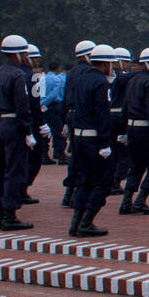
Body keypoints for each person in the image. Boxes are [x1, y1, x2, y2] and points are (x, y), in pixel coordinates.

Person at [68, 43, 120, 237]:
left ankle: (76, 223)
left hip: (79, 136)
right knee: (103, 181)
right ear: (106, 64)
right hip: (94, 139)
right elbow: (101, 115)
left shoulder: (81, 79)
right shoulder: (101, 83)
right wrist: (106, 143)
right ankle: (87, 222)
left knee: (84, 181)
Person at [0, 34, 36, 231]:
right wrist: (27, 130)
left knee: (2, 169)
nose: (27, 56)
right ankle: (9, 214)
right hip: (13, 125)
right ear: (17, 53)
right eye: (25, 53)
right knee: (15, 170)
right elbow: (22, 105)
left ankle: (1, 211)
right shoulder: (18, 75)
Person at [118, 48, 149, 215]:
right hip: (145, 128)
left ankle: (126, 201)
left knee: (136, 166)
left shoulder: (133, 81)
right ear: (146, 63)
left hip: (132, 127)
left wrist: (123, 130)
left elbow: (125, 106)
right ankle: (140, 200)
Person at [60, 39, 95, 207]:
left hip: (71, 115)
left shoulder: (72, 71)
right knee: (85, 156)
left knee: (75, 153)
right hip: (84, 116)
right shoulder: (89, 71)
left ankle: (69, 192)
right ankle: (79, 192)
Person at [20, 42, 48, 196]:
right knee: (34, 158)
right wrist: (41, 122)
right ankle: (22, 189)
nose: (37, 62)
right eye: (35, 59)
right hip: (30, 120)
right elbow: (35, 102)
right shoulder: (32, 76)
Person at [109, 47, 134, 192]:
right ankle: (116, 180)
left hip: (110, 115)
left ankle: (113, 178)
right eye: (124, 61)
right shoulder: (118, 76)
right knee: (122, 150)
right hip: (119, 115)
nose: (126, 64)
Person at [42, 60, 66, 162]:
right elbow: (54, 94)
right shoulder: (57, 79)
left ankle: (44, 154)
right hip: (53, 106)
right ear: (57, 68)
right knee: (58, 130)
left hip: (43, 108)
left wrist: (41, 103)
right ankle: (60, 154)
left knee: (45, 131)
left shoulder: (42, 78)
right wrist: (46, 102)